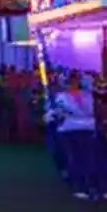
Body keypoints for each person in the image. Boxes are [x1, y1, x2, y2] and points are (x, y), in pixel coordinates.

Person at [54, 71, 106, 199]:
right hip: (69, 130)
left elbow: (91, 110)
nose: (75, 82)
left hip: (88, 128)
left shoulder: (88, 95)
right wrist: (54, 113)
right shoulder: (61, 97)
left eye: (76, 79)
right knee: (76, 158)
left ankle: (96, 187)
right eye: (72, 79)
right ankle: (80, 186)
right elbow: (60, 113)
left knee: (92, 158)